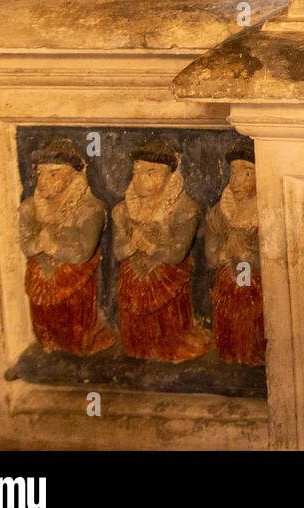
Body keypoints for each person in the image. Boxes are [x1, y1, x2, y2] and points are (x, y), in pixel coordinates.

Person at [112, 138, 213, 362]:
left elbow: (176, 254)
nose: (141, 179)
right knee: (135, 341)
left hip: (167, 278)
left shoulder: (185, 210)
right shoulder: (122, 210)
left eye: (151, 172)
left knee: (170, 336)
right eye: (137, 172)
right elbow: (118, 251)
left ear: (170, 176)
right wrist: (131, 244)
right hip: (133, 279)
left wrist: (148, 245)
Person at [18, 138, 115, 355]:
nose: (43, 180)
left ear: (73, 176)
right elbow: (26, 246)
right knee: (46, 331)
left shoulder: (91, 209)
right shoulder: (29, 208)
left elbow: (82, 253)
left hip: (75, 281)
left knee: (76, 332)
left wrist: (50, 245)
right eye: (41, 173)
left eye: (54, 173)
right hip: (41, 278)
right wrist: (40, 244)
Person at [205, 139, 265, 365]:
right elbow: (211, 258)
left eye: (247, 173)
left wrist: (247, 255)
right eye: (233, 172)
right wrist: (225, 253)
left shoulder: (268, 211)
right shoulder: (219, 213)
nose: (236, 181)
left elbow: (281, 258)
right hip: (227, 284)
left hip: (258, 285)